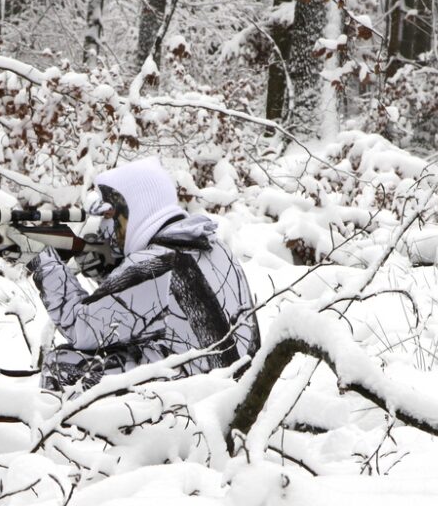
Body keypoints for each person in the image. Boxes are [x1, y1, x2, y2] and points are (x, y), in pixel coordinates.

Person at [18, 157, 261, 392]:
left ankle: (59, 422)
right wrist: (108, 272)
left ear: (135, 207)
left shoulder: (155, 264)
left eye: (109, 216)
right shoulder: (212, 245)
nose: (103, 228)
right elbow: (155, 308)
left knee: (62, 364)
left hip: (185, 404)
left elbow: (79, 325)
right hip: (236, 393)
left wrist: (39, 258)